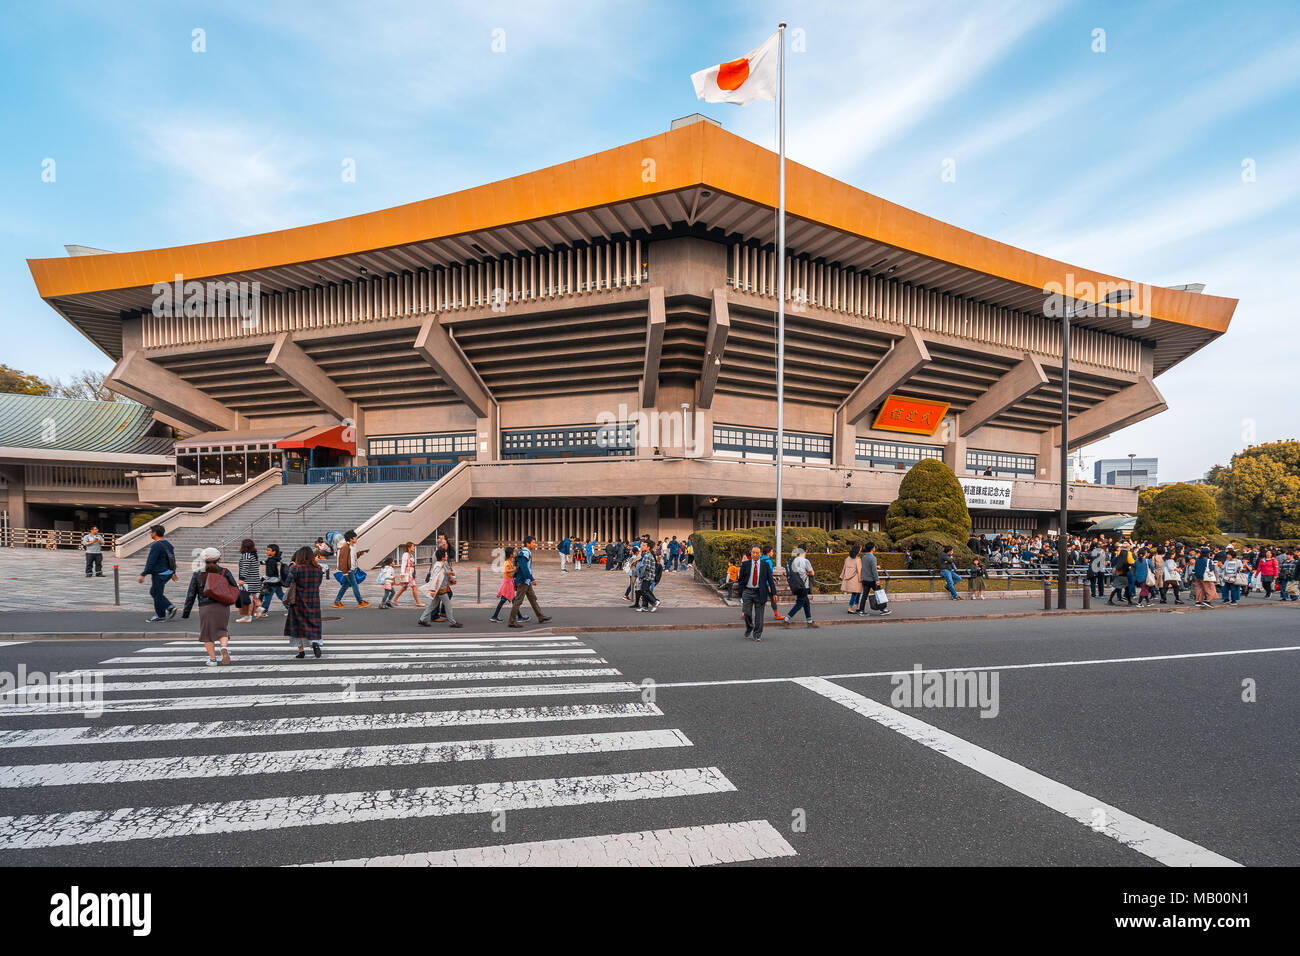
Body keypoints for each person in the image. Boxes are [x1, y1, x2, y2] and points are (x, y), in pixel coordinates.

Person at [181, 546, 237, 666]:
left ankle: (212, 660)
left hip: (206, 607)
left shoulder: (198, 573)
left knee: (207, 634)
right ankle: (224, 647)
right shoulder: (225, 571)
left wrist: (186, 612)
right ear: (218, 559)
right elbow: (234, 587)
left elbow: (191, 594)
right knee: (222, 630)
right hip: (223, 606)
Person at [284, 545, 324, 658]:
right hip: (314, 601)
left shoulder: (296, 568)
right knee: (313, 624)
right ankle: (315, 643)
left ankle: (301, 651)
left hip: (298, 601)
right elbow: (318, 584)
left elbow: (286, 583)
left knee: (297, 626)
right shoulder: (318, 569)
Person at [509, 535, 552, 628]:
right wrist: (532, 579)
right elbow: (524, 568)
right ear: (528, 543)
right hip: (523, 580)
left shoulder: (526, 552)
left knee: (533, 598)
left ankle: (540, 616)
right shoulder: (524, 553)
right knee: (518, 601)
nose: (534, 544)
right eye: (533, 542)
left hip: (526, 581)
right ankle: (512, 621)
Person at [137, 525, 177, 623]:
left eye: (151, 532)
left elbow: (151, 561)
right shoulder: (168, 544)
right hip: (167, 572)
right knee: (154, 592)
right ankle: (169, 607)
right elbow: (172, 559)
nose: (150, 534)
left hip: (159, 573)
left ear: (155, 533)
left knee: (157, 594)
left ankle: (161, 615)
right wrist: (173, 572)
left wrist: (143, 574)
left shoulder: (156, 545)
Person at [738, 545, 776, 641]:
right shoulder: (745, 564)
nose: (755, 554)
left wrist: (774, 593)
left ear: (760, 554)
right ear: (751, 553)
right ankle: (749, 626)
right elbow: (741, 580)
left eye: (757, 553)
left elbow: (770, 580)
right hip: (747, 591)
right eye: (753, 552)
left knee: (759, 616)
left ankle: (757, 634)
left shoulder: (765, 565)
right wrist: (742, 592)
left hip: (760, 592)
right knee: (746, 612)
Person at [419, 547, 464, 627]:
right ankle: (452, 622)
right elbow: (434, 578)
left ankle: (422, 619)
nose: (447, 555)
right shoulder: (438, 566)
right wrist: (432, 590)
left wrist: (450, 574)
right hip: (440, 589)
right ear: (442, 557)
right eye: (446, 554)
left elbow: (442, 574)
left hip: (440, 588)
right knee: (448, 605)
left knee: (432, 605)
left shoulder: (442, 564)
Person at [331, 530, 370, 608]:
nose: (356, 539)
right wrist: (345, 573)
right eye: (355, 537)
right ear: (351, 539)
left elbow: (352, 557)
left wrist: (361, 553)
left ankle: (337, 601)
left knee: (345, 586)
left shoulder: (352, 547)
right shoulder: (345, 547)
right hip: (348, 571)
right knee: (355, 585)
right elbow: (343, 560)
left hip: (350, 570)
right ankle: (360, 602)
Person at [490, 546, 529, 623]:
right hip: (507, 583)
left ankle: (495, 616)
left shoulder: (509, 561)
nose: (515, 553)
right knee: (511, 600)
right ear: (511, 554)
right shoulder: (507, 562)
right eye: (514, 552)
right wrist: (514, 569)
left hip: (508, 582)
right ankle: (519, 617)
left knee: (508, 600)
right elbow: (506, 570)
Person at [784, 545, 816, 627]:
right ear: (806, 551)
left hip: (796, 585)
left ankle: (809, 621)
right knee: (799, 603)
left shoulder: (794, 561)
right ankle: (786, 619)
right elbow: (812, 573)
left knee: (806, 603)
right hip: (804, 585)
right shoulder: (805, 561)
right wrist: (807, 573)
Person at [256, 543, 287, 618]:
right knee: (281, 596)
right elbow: (267, 562)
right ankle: (291, 609)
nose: (267, 551)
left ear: (274, 552)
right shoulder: (276, 559)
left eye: (269, 550)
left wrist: (262, 579)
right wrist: (261, 562)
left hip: (271, 583)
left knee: (267, 598)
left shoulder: (271, 561)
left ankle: (263, 611)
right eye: (267, 550)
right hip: (277, 582)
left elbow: (269, 574)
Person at [235, 537, 261, 623]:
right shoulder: (253, 555)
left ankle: (248, 616)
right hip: (254, 579)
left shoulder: (246, 555)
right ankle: (259, 609)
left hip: (248, 580)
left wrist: (241, 579)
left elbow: (245, 568)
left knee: (247, 598)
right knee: (252, 597)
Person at [392, 542, 423, 608]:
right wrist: (402, 573)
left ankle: (394, 600)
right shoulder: (405, 554)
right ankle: (418, 602)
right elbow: (403, 564)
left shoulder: (411, 555)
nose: (413, 548)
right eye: (412, 546)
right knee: (414, 587)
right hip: (407, 573)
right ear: (409, 547)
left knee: (404, 587)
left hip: (410, 572)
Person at [861, 541, 889, 614]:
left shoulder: (863, 557)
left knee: (864, 595)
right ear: (872, 548)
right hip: (872, 580)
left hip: (865, 579)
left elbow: (866, 567)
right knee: (880, 594)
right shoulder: (873, 558)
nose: (875, 548)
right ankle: (883, 609)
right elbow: (874, 571)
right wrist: (877, 580)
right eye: (874, 547)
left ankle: (861, 610)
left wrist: (876, 566)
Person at [840, 543, 864, 614]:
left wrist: (842, 576)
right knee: (855, 593)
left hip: (848, 578)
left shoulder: (847, 558)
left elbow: (844, 568)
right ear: (857, 551)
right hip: (855, 578)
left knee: (857, 593)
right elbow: (859, 570)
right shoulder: (858, 559)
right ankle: (850, 608)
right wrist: (861, 579)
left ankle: (857, 607)